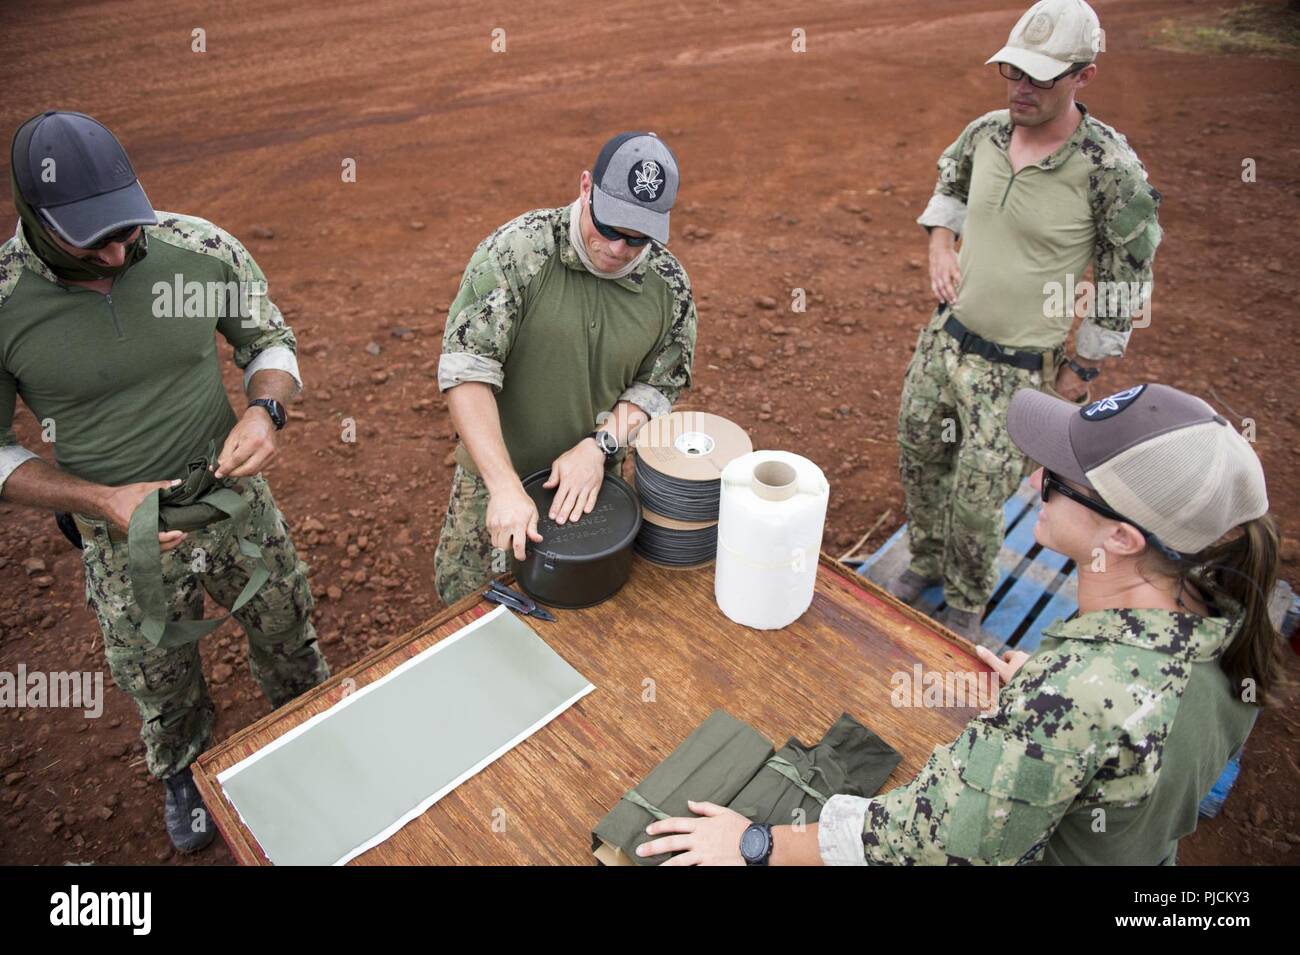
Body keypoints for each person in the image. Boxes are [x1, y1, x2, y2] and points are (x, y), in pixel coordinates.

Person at [637, 383, 1278, 865]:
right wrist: (1067, 707)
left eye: (1057, 480)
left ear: (1123, 537)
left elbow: (934, 842)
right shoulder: (1224, 613)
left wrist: (754, 843)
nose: (1032, 480)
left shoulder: (1079, 696)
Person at [0, 111, 329, 852]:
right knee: (157, 669)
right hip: (122, 537)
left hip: (232, 504)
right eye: (96, 240)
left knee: (285, 627)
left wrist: (267, 408)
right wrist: (98, 501)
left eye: (128, 228)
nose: (121, 250)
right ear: (35, 217)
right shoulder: (5, 303)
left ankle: (313, 723)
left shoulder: (198, 248)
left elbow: (266, 339)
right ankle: (183, 768)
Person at [890, 0, 1163, 644]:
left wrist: (1082, 371)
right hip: (944, 343)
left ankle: (965, 604)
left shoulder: (1111, 173)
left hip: (1019, 369)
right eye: (1014, 72)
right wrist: (939, 241)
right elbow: (950, 183)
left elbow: (1126, 282)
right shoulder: (984, 132)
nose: (1022, 89)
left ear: (1084, 76)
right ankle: (925, 560)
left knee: (978, 500)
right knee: (919, 456)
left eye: (1041, 78)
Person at [433, 132, 697, 605]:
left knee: (582, 620)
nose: (618, 248)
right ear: (585, 188)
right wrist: (504, 485)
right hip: (494, 483)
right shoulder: (517, 251)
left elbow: (658, 384)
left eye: (638, 237)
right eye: (610, 225)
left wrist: (600, 447)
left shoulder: (668, 285)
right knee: (469, 606)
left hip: (592, 491)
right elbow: (468, 371)